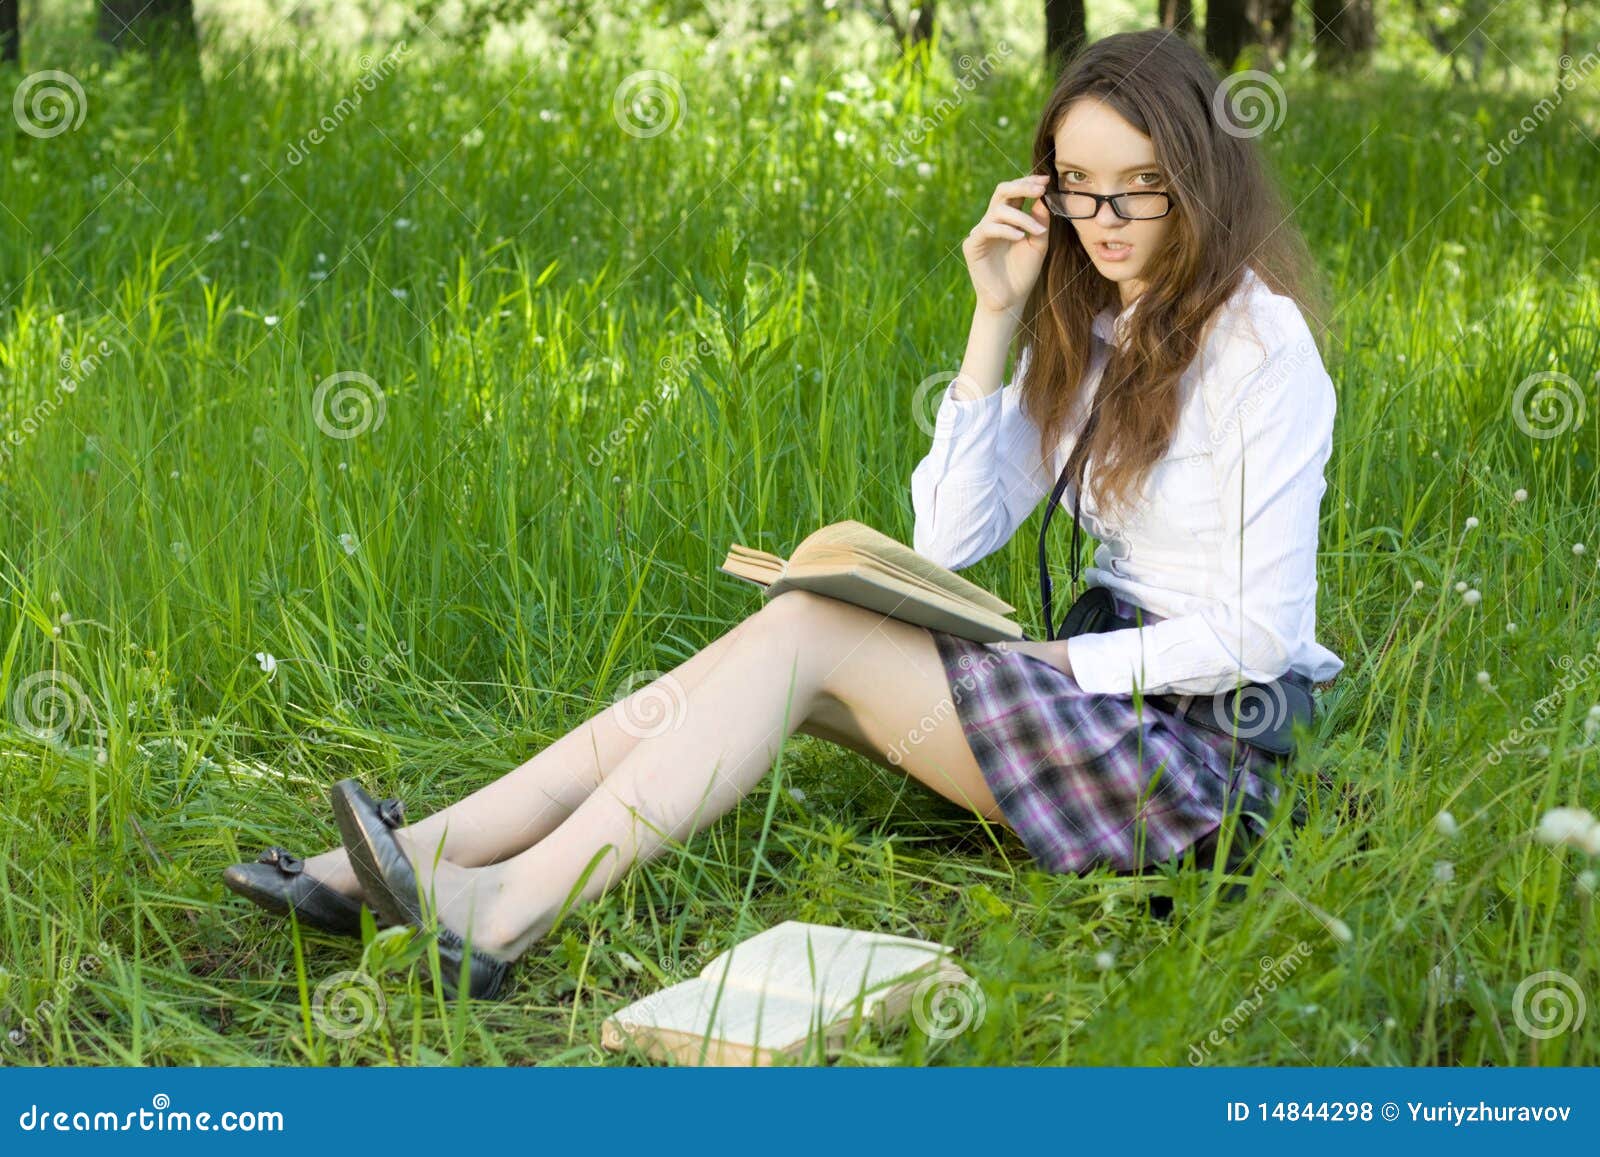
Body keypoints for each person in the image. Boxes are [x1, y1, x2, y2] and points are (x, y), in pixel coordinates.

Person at [223, 27, 1344, 1000]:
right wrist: (992, 319)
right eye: (1075, 184)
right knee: (784, 633)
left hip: (1207, 767)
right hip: (1107, 707)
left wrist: (1054, 660)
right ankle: (410, 856)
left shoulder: (1261, 347)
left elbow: (1256, 632)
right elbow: (950, 542)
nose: (1103, 217)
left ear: (1199, 174)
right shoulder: (1097, 330)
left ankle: (503, 909)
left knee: (807, 632)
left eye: (1137, 184)